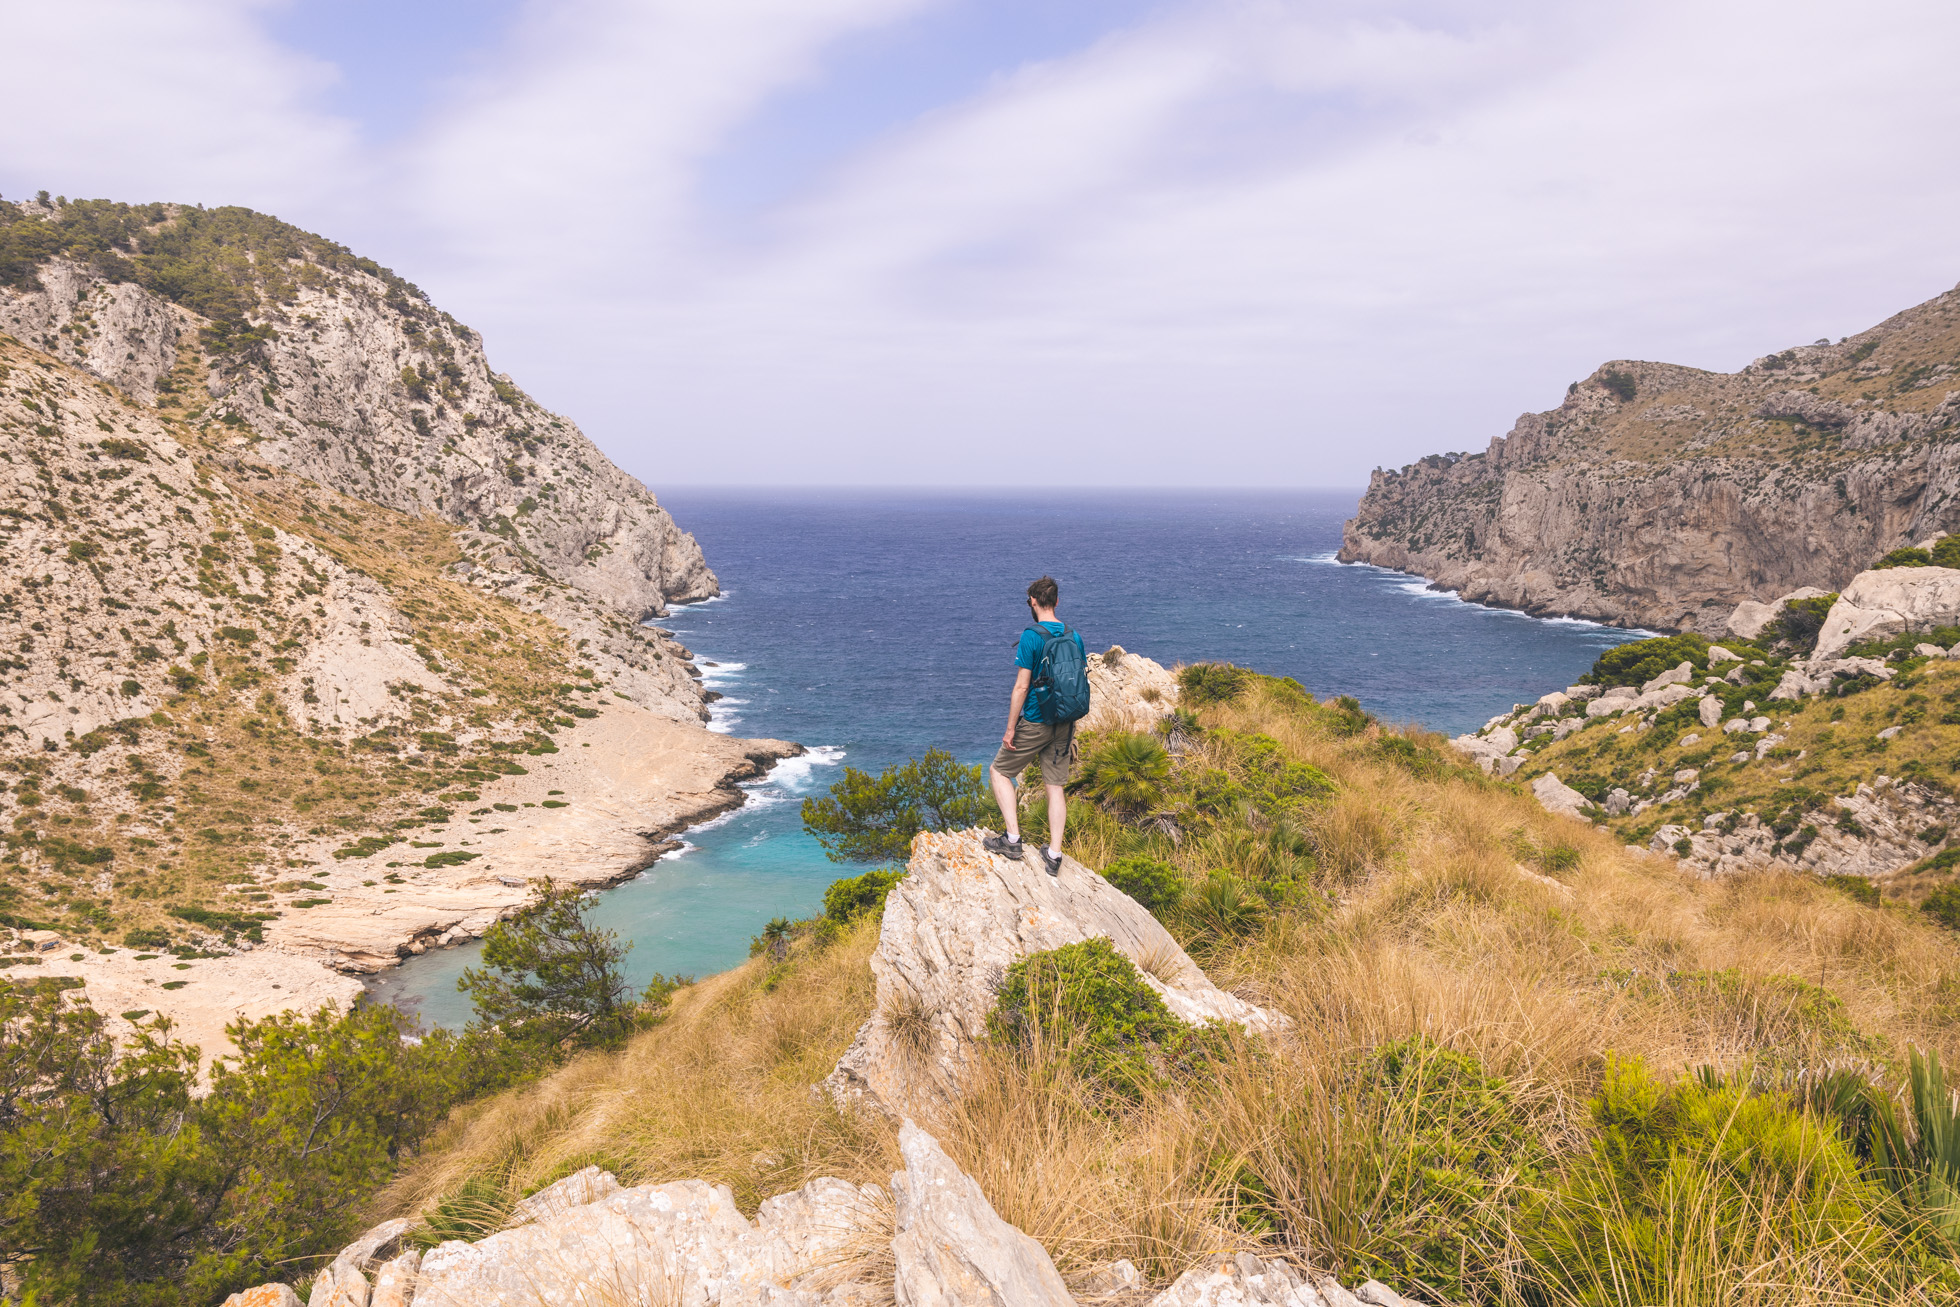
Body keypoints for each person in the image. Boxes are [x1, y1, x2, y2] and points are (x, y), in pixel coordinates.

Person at [984, 575, 1085, 875]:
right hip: (1065, 722)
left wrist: (1010, 729)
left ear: (1033, 602)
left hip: (1037, 720)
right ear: (1057, 601)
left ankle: (1013, 839)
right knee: (1055, 787)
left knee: (999, 771)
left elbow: (1021, 686)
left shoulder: (1031, 636)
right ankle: (1054, 855)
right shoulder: (1073, 635)